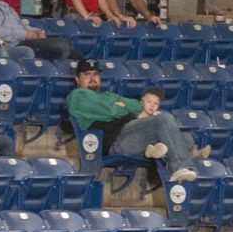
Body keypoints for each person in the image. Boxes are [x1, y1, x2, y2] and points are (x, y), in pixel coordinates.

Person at [64, 60, 199, 185]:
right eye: (87, 74)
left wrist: (120, 106)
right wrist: (120, 107)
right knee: (164, 118)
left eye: (96, 74)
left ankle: (157, 151)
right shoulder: (77, 96)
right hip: (115, 141)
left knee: (187, 139)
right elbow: (111, 111)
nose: (92, 78)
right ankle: (179, 167)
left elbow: (137, 106)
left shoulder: (108, 96)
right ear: (77, 79)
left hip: (133, 135)